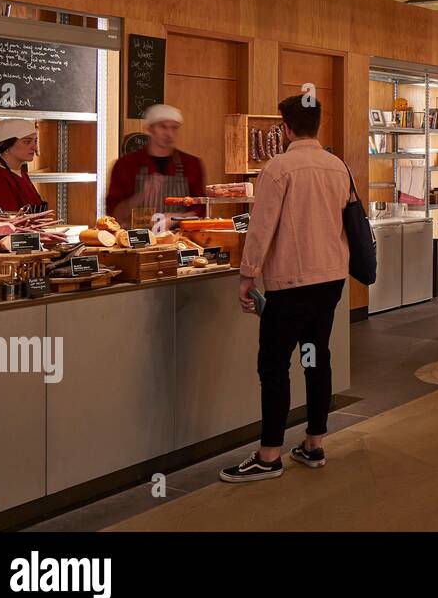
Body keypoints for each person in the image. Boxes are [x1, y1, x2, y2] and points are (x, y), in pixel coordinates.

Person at [222, 94, 352, 483]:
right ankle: (313, 444)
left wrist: (248, 275)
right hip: (330, 279)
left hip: (291, 282)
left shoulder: (279, 169)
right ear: (318, 125)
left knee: (274, 365)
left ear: (286, 128)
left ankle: (269, 454)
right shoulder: (337, 167)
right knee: (315, 357)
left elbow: (260, 228)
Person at [106, 104, 205, 225]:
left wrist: (175, 218)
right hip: (138, 240)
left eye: (174, 128)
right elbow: (113, 214)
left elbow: (200, 211)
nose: (169, 133)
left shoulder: (191, 164)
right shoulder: (125, 165)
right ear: (150, 129)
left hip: (182, 240)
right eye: (163, 127)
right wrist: (140, 196)